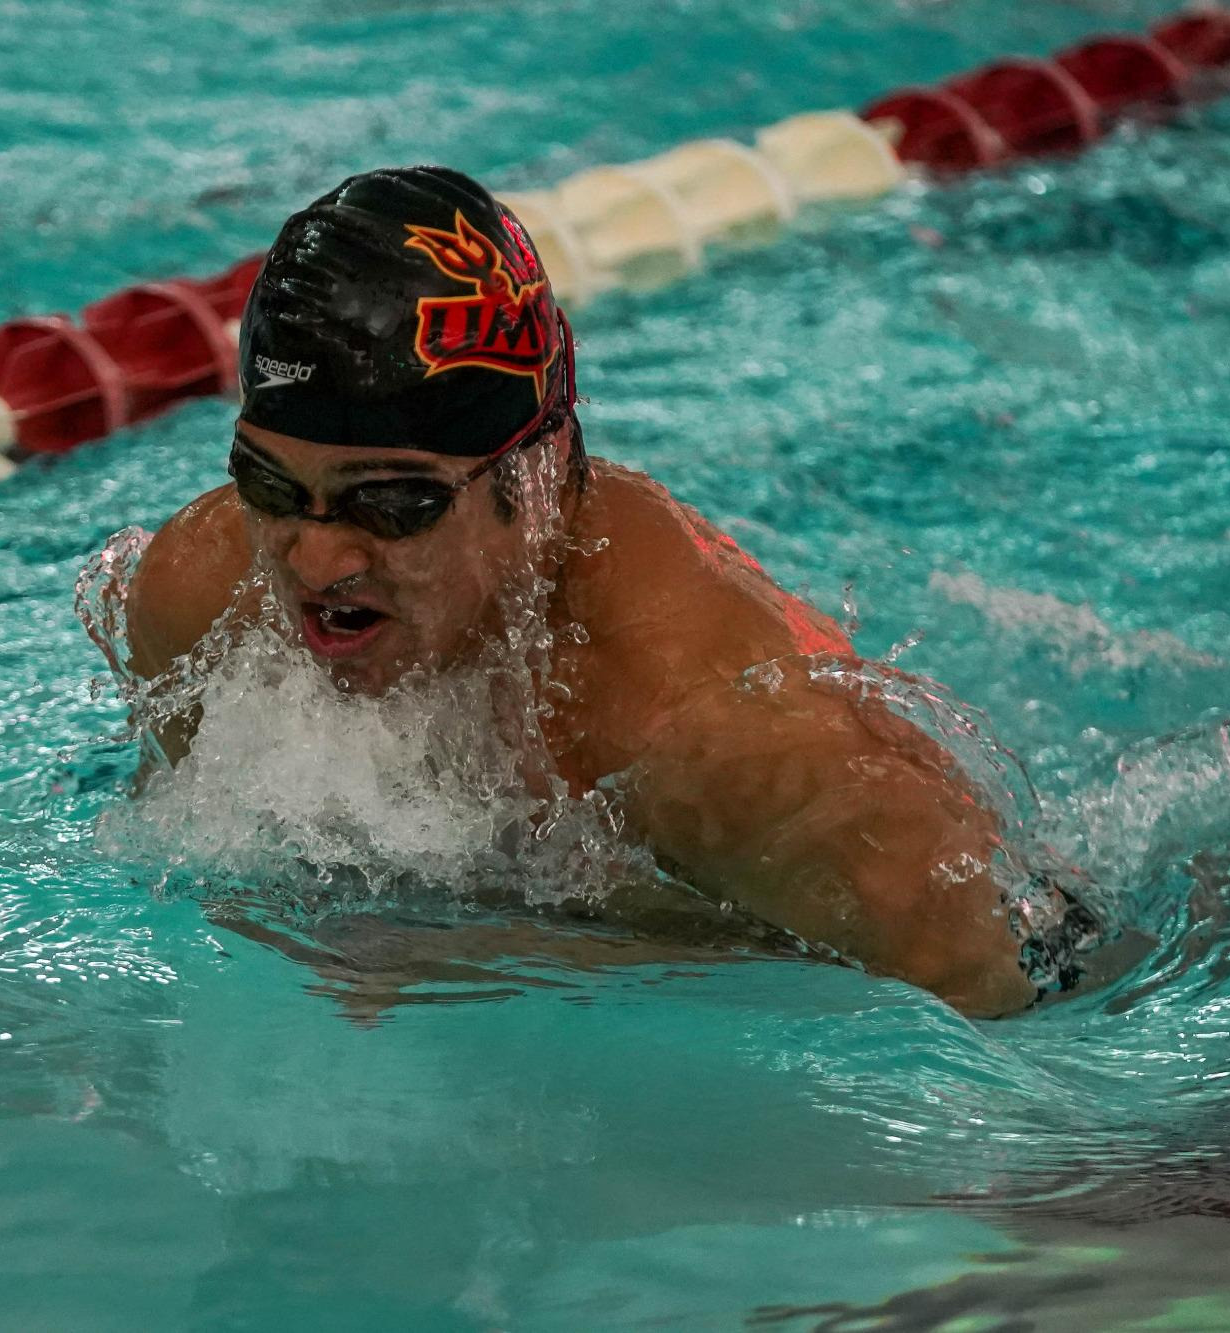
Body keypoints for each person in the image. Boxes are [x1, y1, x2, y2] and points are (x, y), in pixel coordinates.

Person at [118, 165, 1099, 1018]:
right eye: (271, 486)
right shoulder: (199, 598)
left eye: (390, 503)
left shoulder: (715, 727)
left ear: (529, 485)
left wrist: (503, 961)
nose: (314, 561)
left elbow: (1031, 978)